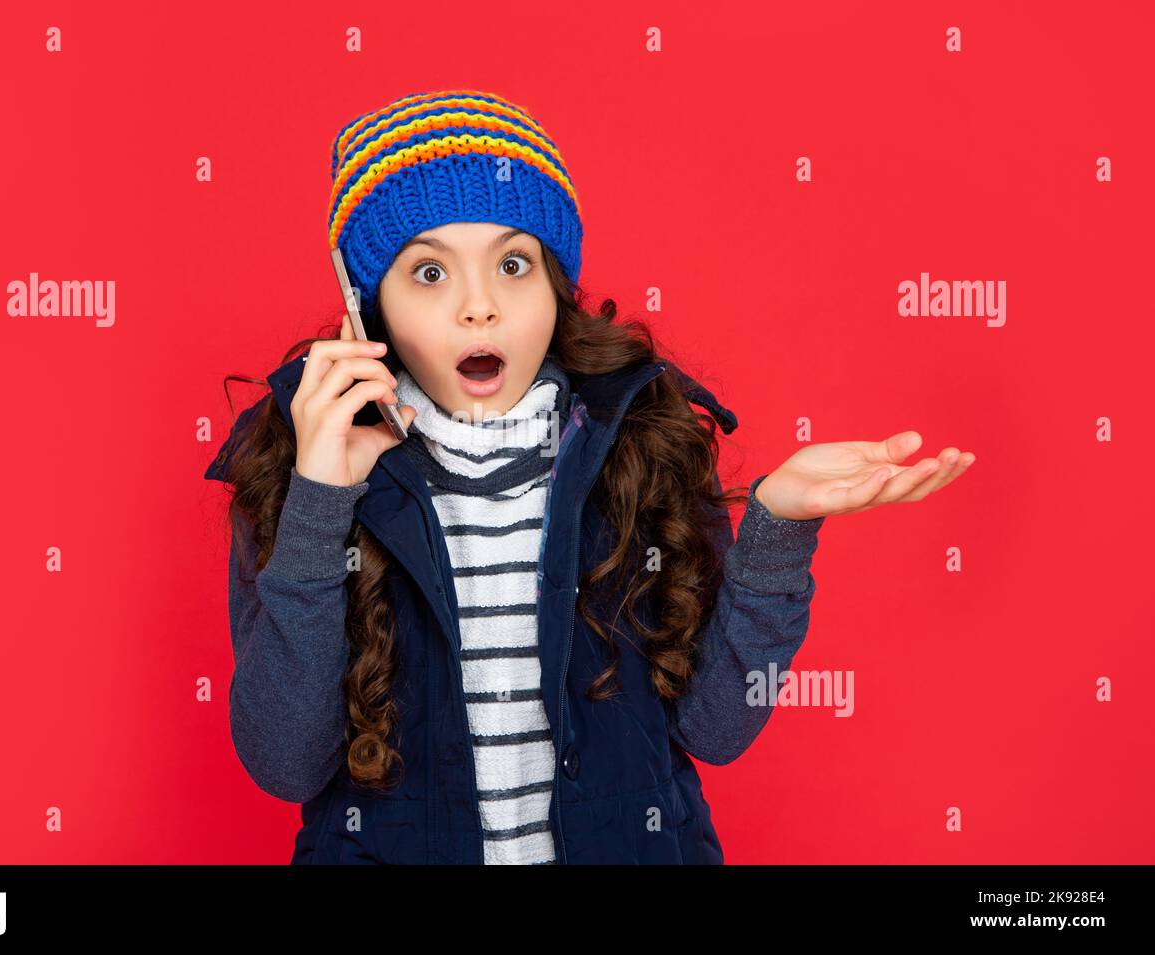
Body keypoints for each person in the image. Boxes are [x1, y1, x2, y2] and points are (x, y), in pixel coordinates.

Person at [204, 88, 975, 864]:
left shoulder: (645, 446)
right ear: (367, 308)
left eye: (512, 263)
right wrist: (318, 502)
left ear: (555, 284)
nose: (479, 307)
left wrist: (778, 527)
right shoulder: (301, 472)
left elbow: (713, 729)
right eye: (429, 273)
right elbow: (285, 763)